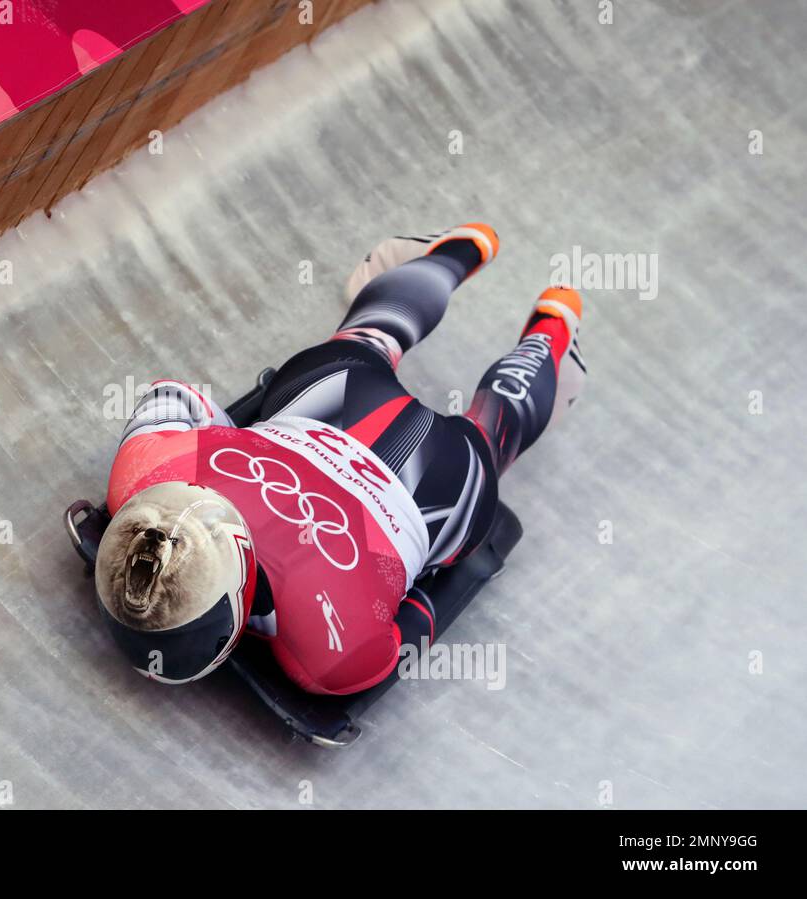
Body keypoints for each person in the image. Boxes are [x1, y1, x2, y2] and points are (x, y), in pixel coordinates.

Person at [95, 224, 585, 692]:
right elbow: (176, 395)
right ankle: (458, 254)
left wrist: (390, 583)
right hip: (332, 399)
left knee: (494, 432)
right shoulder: (142, 477)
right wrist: (237, 445)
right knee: (371, 334)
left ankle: (551, 332)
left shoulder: (328, 658)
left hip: (434, 485)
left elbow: (416, 621)